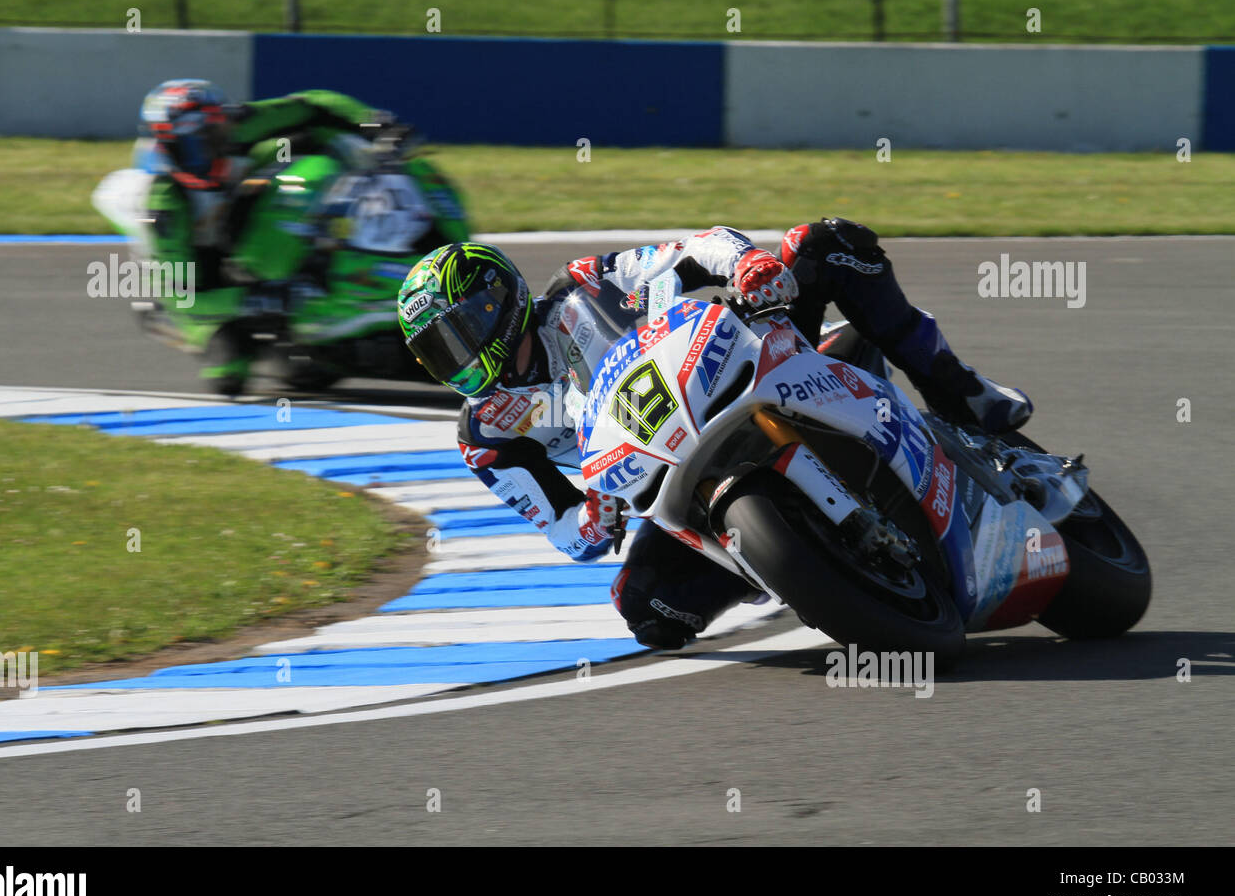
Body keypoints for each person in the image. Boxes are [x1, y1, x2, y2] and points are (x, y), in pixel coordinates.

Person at [397, 223, 1032, 649]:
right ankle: (794, 563)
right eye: (435, 353)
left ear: (497, 304)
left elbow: (696, 249)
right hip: (666, 479)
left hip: (740, 369)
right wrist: (592, 519)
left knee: (823, 243)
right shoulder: (485, 434)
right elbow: (564, 531)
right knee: (647, 609)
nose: (454, 360)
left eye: (457, 336)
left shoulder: (583, 286)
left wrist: (749, 265)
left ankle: (961, 393)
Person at [136, 79, 404, 390]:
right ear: (167, 151)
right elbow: (181, 297)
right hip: (205, 269)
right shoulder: (164, 208)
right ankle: (241, 338)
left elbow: (311, 103)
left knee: (315, 144)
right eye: (194, 147)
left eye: (215, 135)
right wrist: (251, 299)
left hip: (251, 224)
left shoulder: (241, 121)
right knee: (228, 374)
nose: (211, 152)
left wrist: (372, 122)